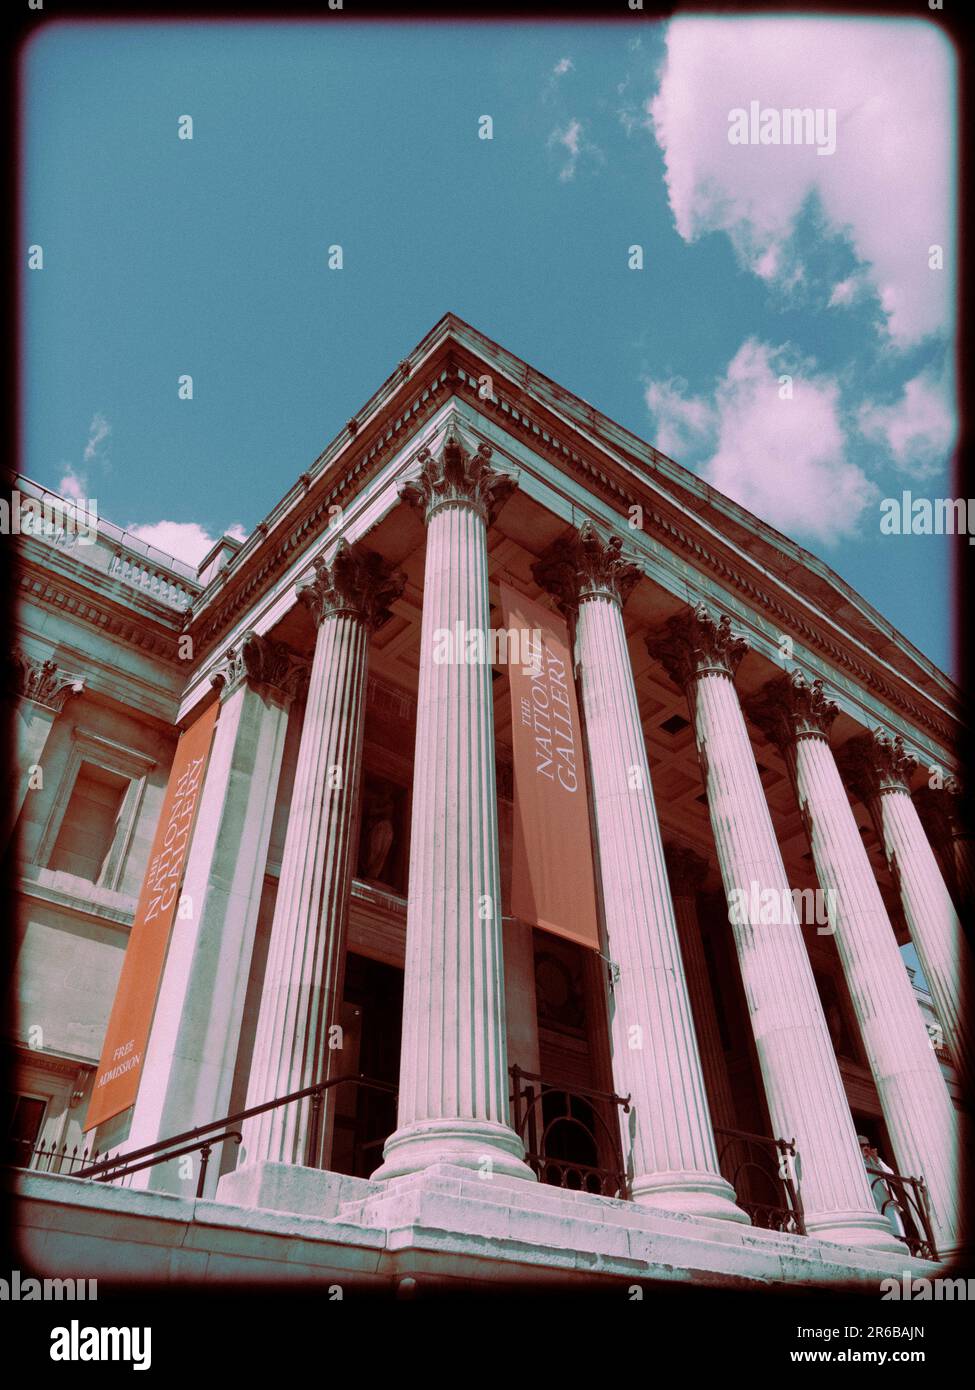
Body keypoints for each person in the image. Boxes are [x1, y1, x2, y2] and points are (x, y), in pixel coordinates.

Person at [858, 1134, 906, 1240]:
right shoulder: (856, 1161)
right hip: (874, 1205)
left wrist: (877, 1160)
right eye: (862, 1145)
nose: (866, 1147)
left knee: (899, 1235)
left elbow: (891, 1176)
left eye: (868, 1145)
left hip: (889, 1203)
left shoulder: (874, 1160)